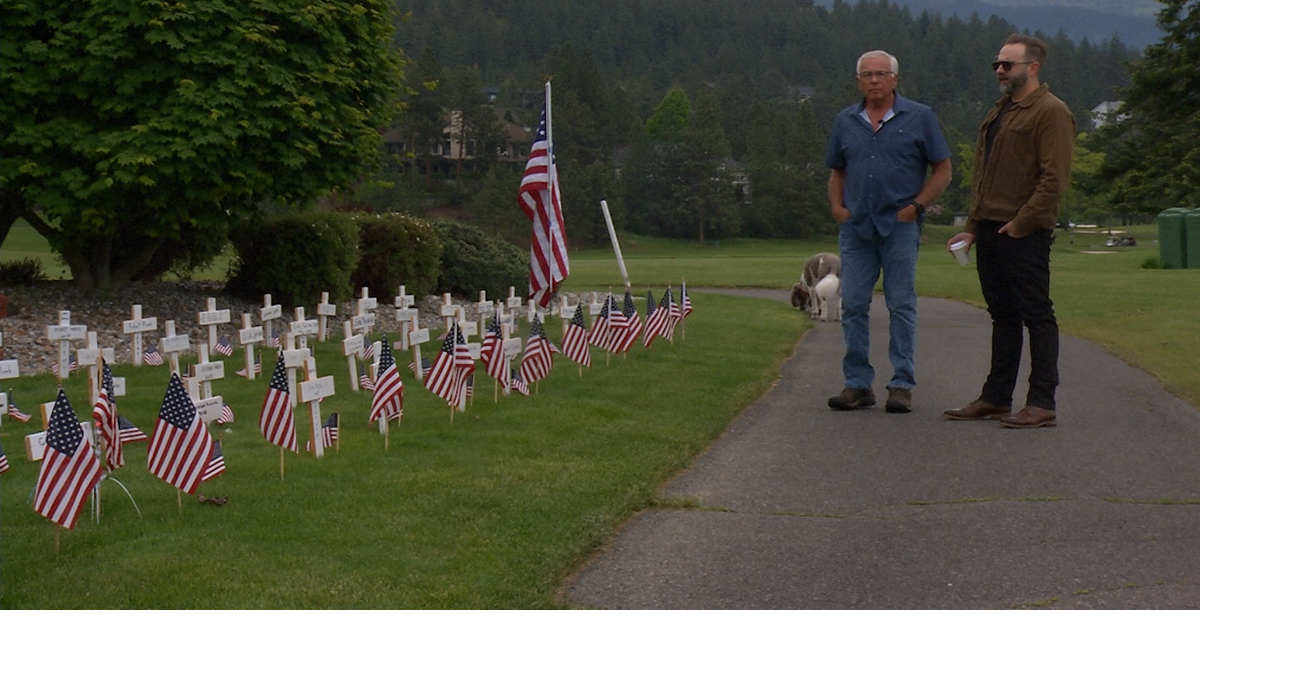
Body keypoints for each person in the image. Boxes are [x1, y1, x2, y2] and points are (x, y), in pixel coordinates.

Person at [944, 34, 1076, 429]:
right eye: (997, 64)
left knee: (1036, 314)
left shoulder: (1050, 112)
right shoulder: (1000, 110)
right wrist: (971, 227)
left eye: (1007, 65)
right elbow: (983, 176)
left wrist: (1021, 224)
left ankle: (1042, 402)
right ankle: (996, 397)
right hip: (989, 228)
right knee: (1002, 315)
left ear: (1032, 67)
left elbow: (1054, 180)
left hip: (1023, 231)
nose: (999, 71)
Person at [825, 50, 952, 413]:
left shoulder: (920, 117)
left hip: (899, 225)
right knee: (852, 305)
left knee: (901, 305)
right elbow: (837, 172)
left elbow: (942, 170)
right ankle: (857, 384)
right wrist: (838, 209)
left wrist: (916, 207)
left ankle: (901, 384)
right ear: (858, 81)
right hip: (856, 228)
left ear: (895, 79)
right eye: (867, 75)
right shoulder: (846, 121)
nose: (875, 80)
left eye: (881, 74)